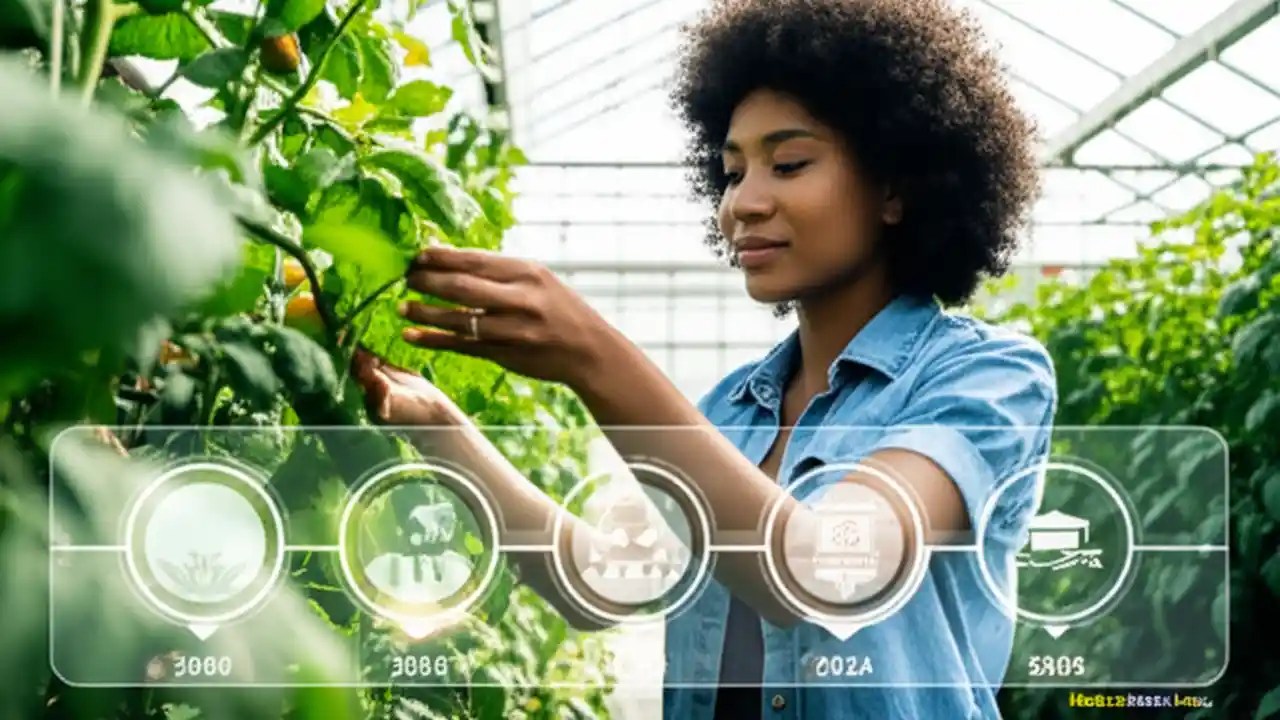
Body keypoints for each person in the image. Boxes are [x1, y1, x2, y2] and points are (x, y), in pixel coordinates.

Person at [352, 0, 1057, 716]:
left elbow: (825, 574)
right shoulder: (729, 409)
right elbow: (598, 582)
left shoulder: (988, 380)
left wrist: (593, 356)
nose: (742, 204)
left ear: (896, 189)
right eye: (731, 173)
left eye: (788, 164)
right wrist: (438, 427)